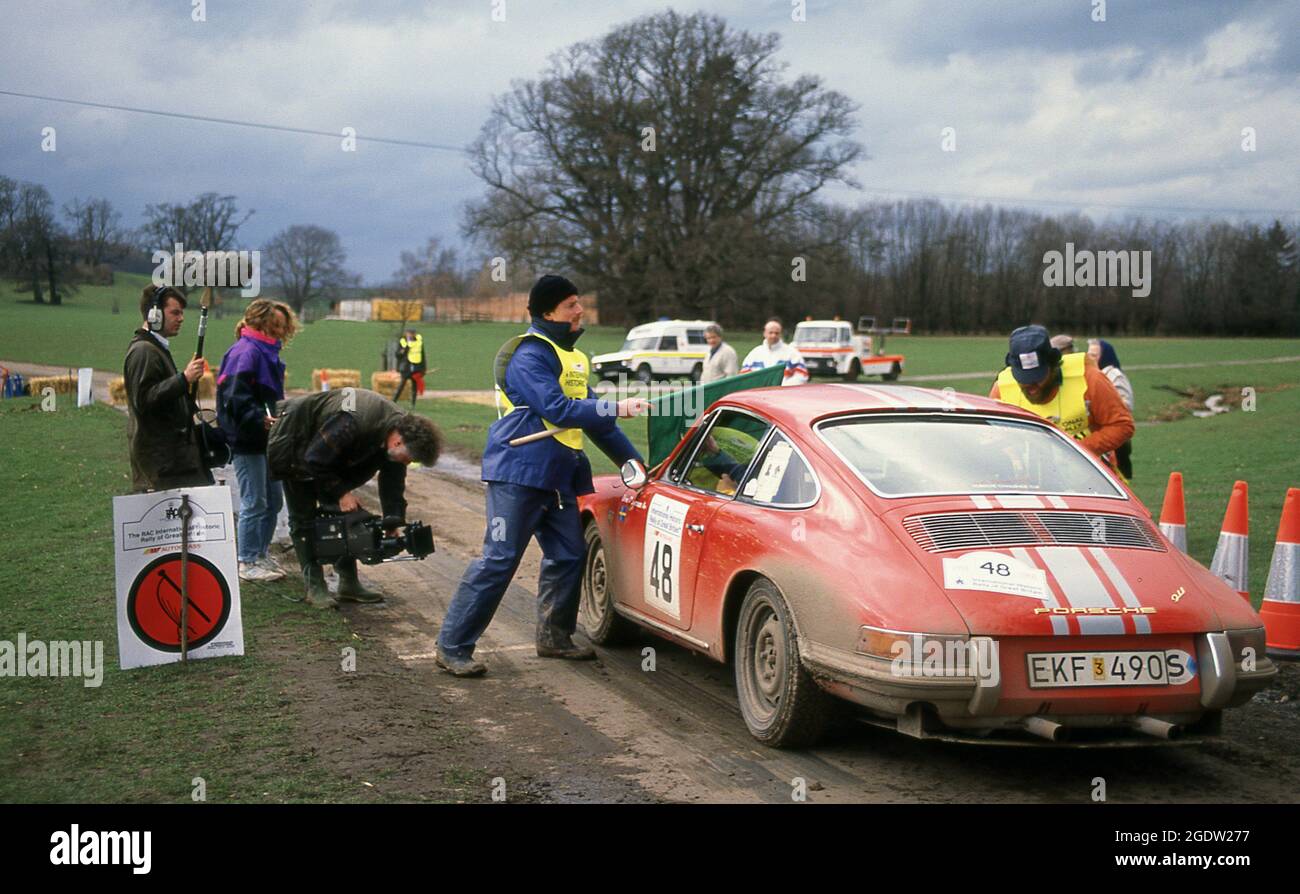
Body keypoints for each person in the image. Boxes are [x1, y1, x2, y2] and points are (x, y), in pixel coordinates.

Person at [434, 275, 650, 677]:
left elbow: (596, 422)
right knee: (499, 560)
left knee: (568, 555)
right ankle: (452, 645)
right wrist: (618, 408)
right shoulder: (529, 356)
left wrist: (633, 464)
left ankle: (554, 637)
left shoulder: (571, 358)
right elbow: (558, 409)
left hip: (559, 476)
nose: (580, 310)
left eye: (578, 302)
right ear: (548, 312)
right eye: (571, 304)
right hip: (518, 474)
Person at [267, 388, 442, 608]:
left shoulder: (395, 431)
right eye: (410, 458)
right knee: (303, 518)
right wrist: (342, 493)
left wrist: (393, 519)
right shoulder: (353, 422)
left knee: (345, 519)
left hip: (332, 455)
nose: (408, 463)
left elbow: (392, 483)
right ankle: (315, 586)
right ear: (398, 442)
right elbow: (315, 459)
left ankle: (348, 583)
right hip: (297, 443)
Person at [217, 299, 299, 584]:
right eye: (276, 325)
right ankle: (247, 561)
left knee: (273, 502)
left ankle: (261, 553)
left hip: (267, 440)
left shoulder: (265, 353)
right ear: (261, 323)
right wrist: (258, 418)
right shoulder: (245, 352)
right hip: (247, 440)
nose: (280, 331)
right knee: (255, 502)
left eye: (283, 326)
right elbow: (233, 397)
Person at [990, 325, 1134, 469]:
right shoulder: (1002, 389)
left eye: (1038, 376)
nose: (1031, 385)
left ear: (1053, 365)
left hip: (1088, 478)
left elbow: (1122, 425)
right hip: (1030, 482)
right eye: (1024, 378)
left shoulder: (1088, 379)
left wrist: (1077, 450)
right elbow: (991, 437)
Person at [123, 285, 210, 492]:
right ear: (154, 314)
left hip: (171, 462)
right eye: (175, 312)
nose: (181, 319)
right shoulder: (144, 351)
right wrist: (184, 378)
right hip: (162, 465)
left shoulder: (156, 348)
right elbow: (143, 400)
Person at [1088, 338, 1135, 479]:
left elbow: (1125, 406)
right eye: (1089, 354)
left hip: (1115, 440)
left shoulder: (1114, 376)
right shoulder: (1091, 376)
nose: (1090, 358)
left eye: (1094, 355)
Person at [740, 317, 808, 386]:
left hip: (782, 395)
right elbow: (744, 377)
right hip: (758, 394)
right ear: (764, 333)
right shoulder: (754, 354)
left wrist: (781, 388)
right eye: (770, 332)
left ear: (780, 334)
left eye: (776, 333)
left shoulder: (792, 353)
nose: (773, 336)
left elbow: (801, 376)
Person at [393, 327, 426, 406]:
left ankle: (413, 404)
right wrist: (403, 350)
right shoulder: (403, 342)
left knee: (414, 386)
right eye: (409, 333)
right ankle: (394, 401)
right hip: (406, 367)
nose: (411, 335)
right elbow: (397, 355)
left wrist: (423, 368)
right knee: (402, 384)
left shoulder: (419, 342)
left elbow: (422, 355)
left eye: (412, 333)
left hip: (416, 366)